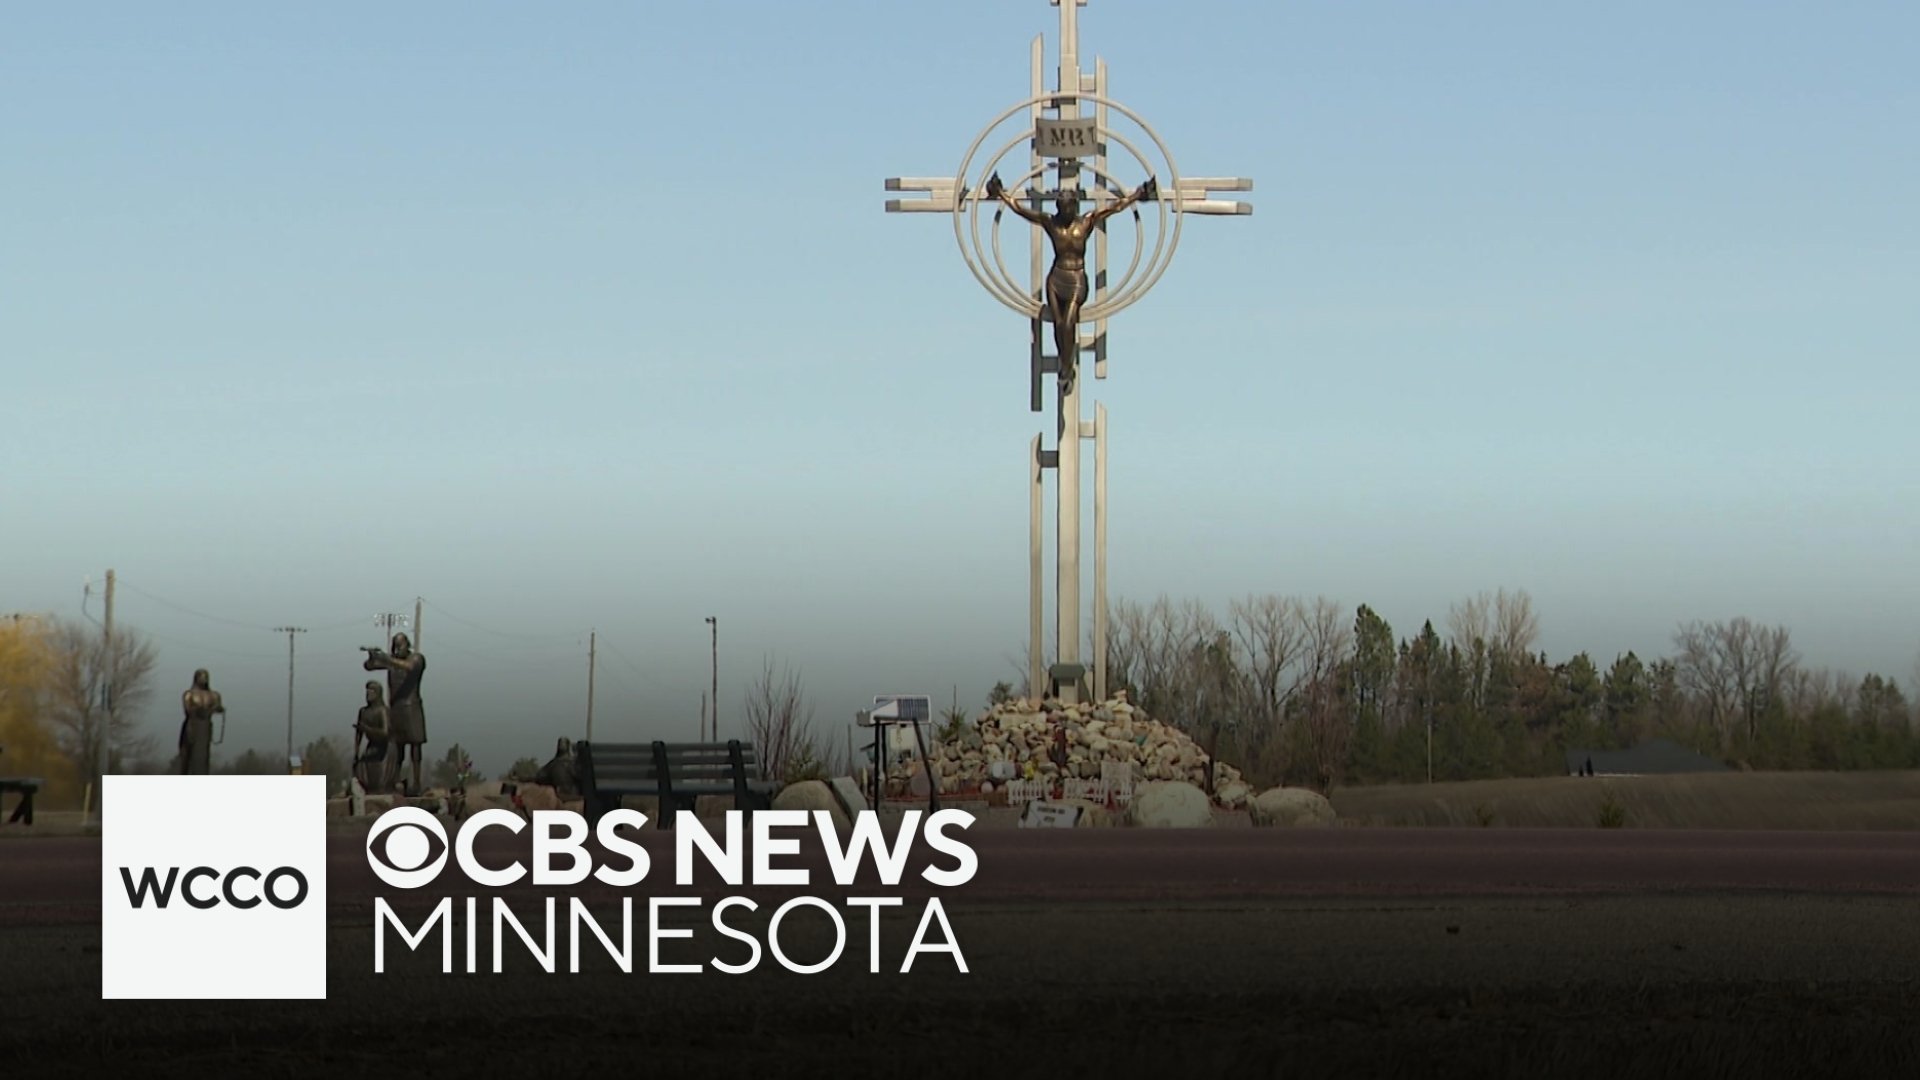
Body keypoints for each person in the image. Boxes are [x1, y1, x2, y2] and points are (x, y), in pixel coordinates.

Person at [985, 172, 1157, 395]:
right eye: (1064, 206)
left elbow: (1115, 208)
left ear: (1074, 206)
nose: (1067, 210)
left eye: (1070, 206)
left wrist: (1138, 194)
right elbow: (1022, 211)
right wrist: (1001, 194)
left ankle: (1067, 369)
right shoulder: (1051, 222)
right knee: (1058, 324)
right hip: (1056, 278)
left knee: (1068, 323)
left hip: (1076, 279)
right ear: (1059, 206)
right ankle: (1064, 369)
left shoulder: (1085, 222)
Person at [364, 632, 427, 794]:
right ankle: (395, 780)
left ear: (408, 644)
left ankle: (417, 783)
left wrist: (386, 658)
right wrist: (373, 657)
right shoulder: (392, 662)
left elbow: (408, 667)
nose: (398, 648)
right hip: (396, 708)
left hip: (411, 706)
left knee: (415, 746)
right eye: (395, 645)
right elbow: (369, 667)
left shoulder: (416, 658)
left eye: (401, 645)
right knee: (397, 748)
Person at [178, 669, 225, 775]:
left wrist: (218, 709)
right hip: (192, 725)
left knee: (203, 755)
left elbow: (217, 707)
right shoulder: (189, 694)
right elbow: (187, 710)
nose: (204, 680)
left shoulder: (214, 695)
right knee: (188, 754)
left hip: (205, 726)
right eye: (201, 677)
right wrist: (196, 710)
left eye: (205, 677)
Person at [352, 681, 394, 793]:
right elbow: (358, 734)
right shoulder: (363, 711)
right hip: (371, 747)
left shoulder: (382, 710)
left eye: (372, 690)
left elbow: (385, 733)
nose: (368, 693)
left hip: (384, 749)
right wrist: (356, 752)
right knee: (362, 775)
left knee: (379, 783)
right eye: (367, 690)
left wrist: (367, 729)